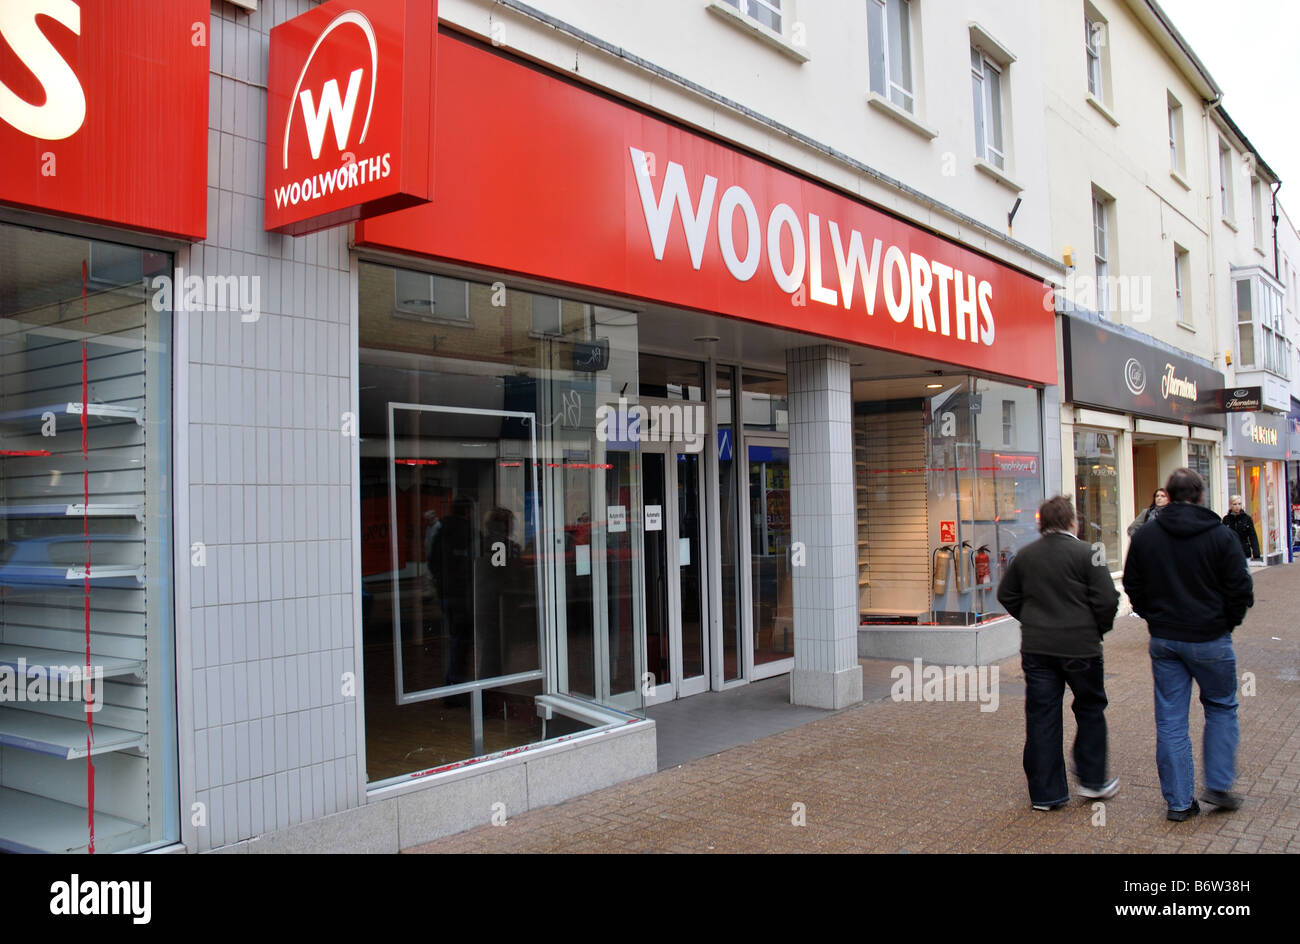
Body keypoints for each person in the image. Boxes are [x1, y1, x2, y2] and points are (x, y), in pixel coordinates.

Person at [1123, 469, 1254, 821]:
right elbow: (1241, 589)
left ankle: (1179, 802)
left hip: (1166, 640)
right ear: (1200, 495)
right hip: (1210, 638)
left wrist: (1153, 617)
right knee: (1222, 706)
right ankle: (1219, 783)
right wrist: (1226, 622)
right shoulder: (1221, 537)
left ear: (1168, 493)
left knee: (1170, 720)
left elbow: (1132, 584)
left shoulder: (1148, 536)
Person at [997, 495, 1121, 811]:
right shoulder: (1089, 553)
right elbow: (1107, 599)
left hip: (1038, 648)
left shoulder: (1026, 556)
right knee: (1090, 708)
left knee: (1042, 715)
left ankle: (1045, 793)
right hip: (1082, 647)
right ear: (1072, 522)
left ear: (1042, 524)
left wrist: (1033, 619)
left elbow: (1006, 594)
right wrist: (1098, 629)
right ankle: (1093, 782)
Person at [1222, 495, 1261, 561]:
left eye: (1239, 504)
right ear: (1230, 505)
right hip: (1230, 552)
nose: (1237, 506)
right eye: (1235, 504)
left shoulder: (1247, 518)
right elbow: (1222, 537)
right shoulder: (1226, 519)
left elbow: (1252, 536)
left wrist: (1256, 554)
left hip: (1244, 552)